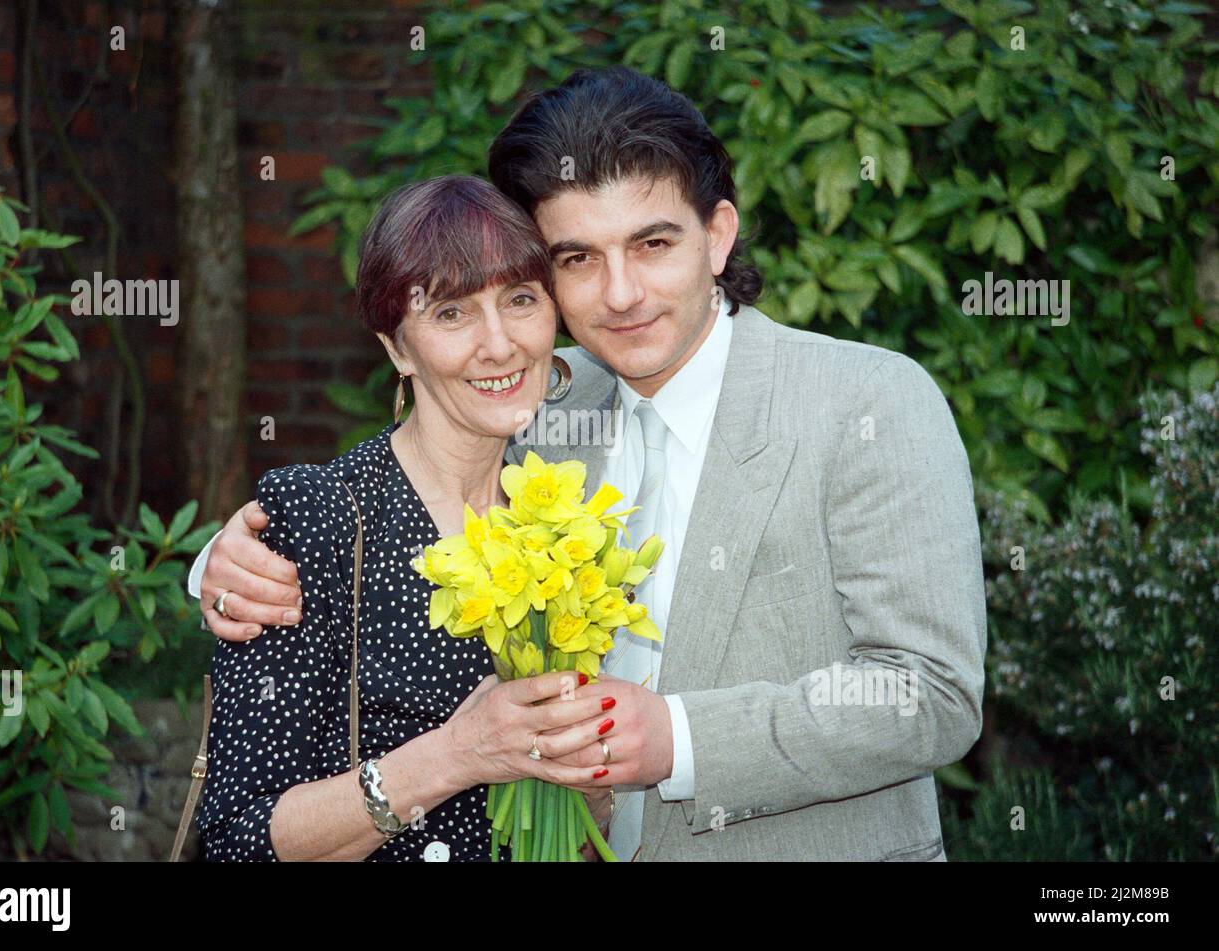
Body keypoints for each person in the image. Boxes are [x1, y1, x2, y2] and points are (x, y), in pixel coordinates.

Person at [192, 66, 987, 861]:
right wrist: (225, 562)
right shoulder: (543, 403)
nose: (621, 294)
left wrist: (675, 736)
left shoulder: (867, 402)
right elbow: (411, 477)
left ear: (717, 234)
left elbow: (931, 692)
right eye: (576, 259)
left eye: (653, 244)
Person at [195, 175, 619, 862]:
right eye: (451, 313)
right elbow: (238, 839)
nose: (500, 343)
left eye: (519, 300)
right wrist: (457, 754)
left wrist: (589, 783)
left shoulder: (563, 515)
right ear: (397, 346)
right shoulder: (318, 518)